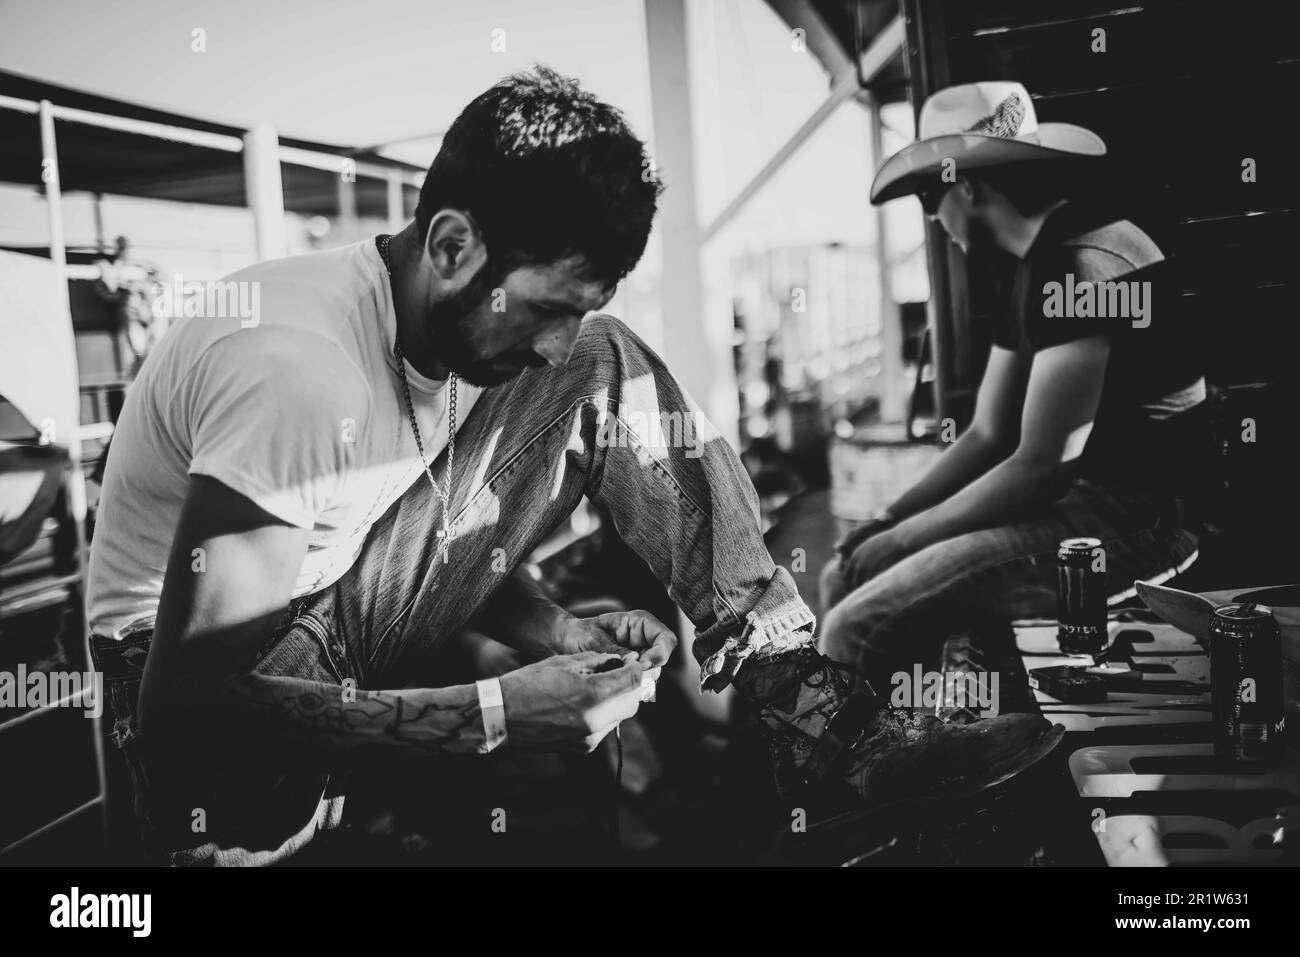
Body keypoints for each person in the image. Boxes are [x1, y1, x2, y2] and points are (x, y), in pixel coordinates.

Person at [87, 68, 1063, 865]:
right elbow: (187, 706)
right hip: (190, 716)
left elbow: (402, 540)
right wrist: (490, 716)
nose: (553, 347)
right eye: (549, 308)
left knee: (607, 361)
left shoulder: (448, 330)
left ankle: (798, 700)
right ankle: (806, 727)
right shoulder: (297, 374)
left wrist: (550, 626)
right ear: (453, 242)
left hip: (330, 624)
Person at [821, 81, 1206, 691]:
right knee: (843, 575)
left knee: (854, 627)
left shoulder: (1082, 258)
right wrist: (887, 519)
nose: (933, 219)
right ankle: (898, 749)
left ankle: (869, 778)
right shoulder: (1029, 265)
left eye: (929, 196)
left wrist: (901, 539)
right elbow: (989, 433)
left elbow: (1041, 466)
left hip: (1136, 529)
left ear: (967, 186)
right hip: (1077, 511)